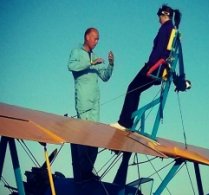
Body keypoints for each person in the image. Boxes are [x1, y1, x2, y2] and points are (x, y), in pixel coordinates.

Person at [111, 4, 180, 131]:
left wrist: (150, 67)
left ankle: (124, 122)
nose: (158, 18)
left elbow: (159, 51)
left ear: (164, 15)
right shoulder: (172, 28)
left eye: (159, 15)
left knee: (132, 88)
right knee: (135, 90)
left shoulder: (165, 29)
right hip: (159, 68)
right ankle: (127, 122)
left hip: (154, 67)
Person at [68, 27, 114, 182]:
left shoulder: (95, 56)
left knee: (95, 139)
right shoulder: (77, 52)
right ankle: (82, 173)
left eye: (98, 38)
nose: (97, 41)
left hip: (95, 104)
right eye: (95, 38)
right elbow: (71, 66)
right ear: (87, 37)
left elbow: (105, 77)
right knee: (83, 138)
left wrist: (111, 64)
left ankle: (87, 172)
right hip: (83, 101)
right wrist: (90, 62)